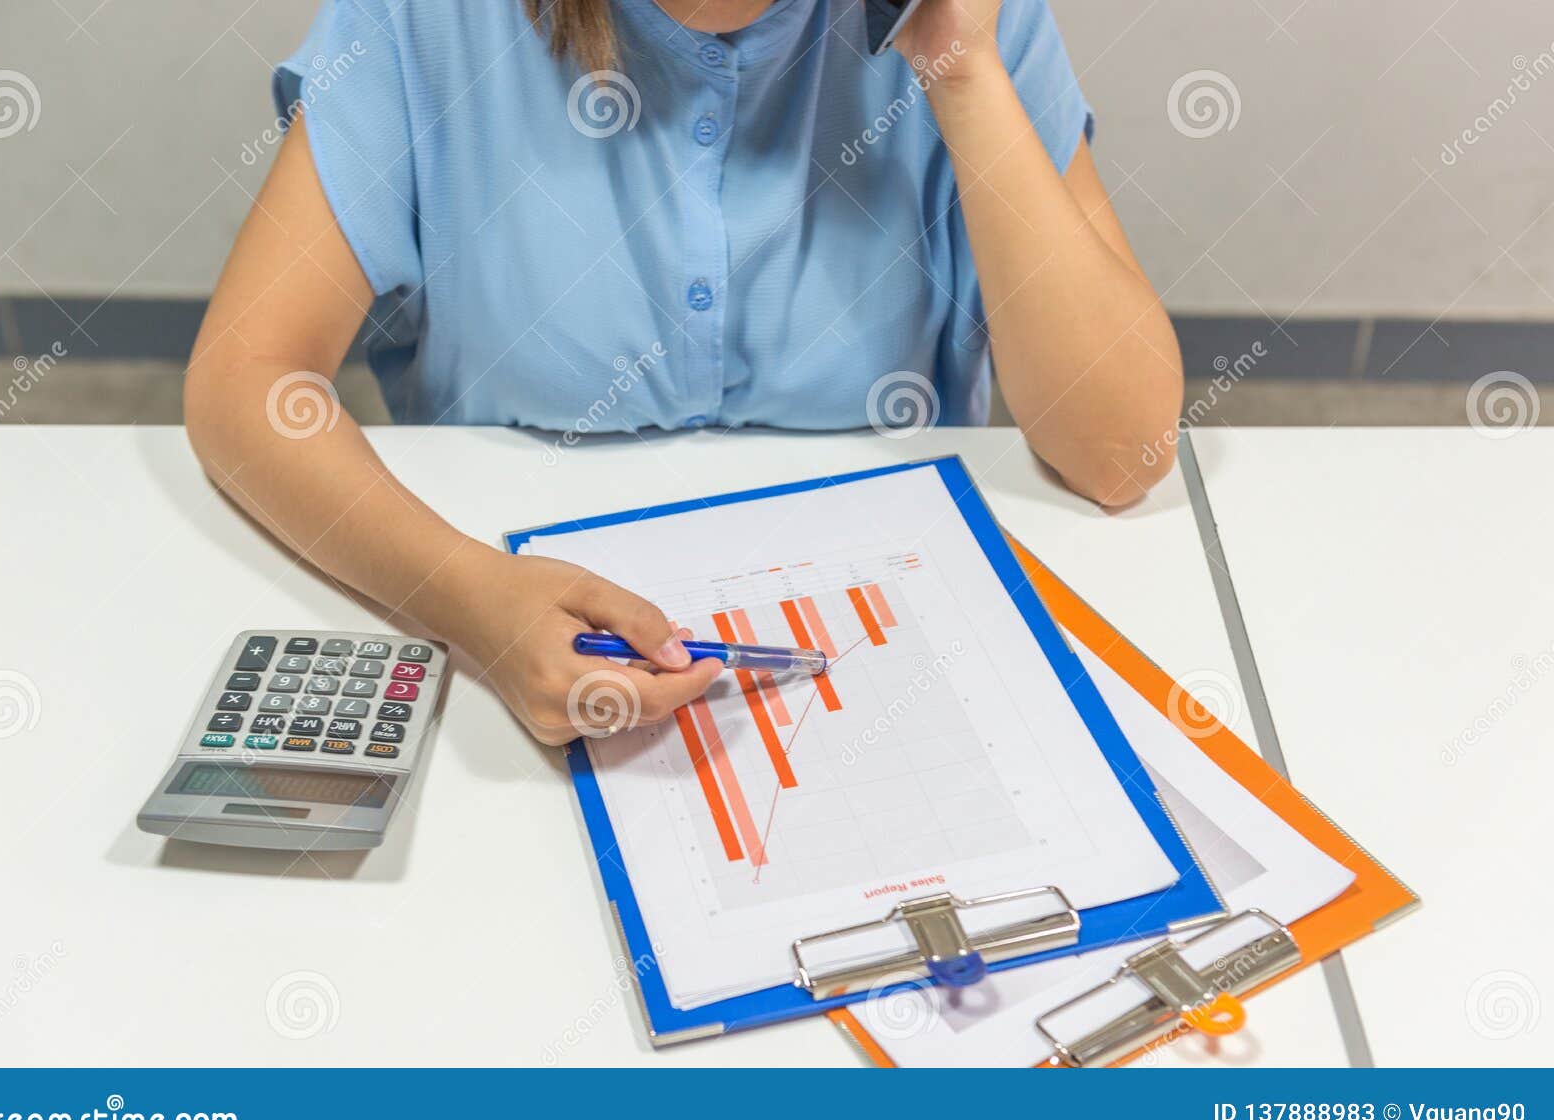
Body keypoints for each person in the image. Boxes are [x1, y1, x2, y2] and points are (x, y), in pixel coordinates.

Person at [184, 0, 1182, 745]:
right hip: (506, 662)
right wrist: (469, 600)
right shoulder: (424, 20)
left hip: (893, 659)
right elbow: (247, 381)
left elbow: (1118, 455)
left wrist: (964, 77)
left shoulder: (964, 19)